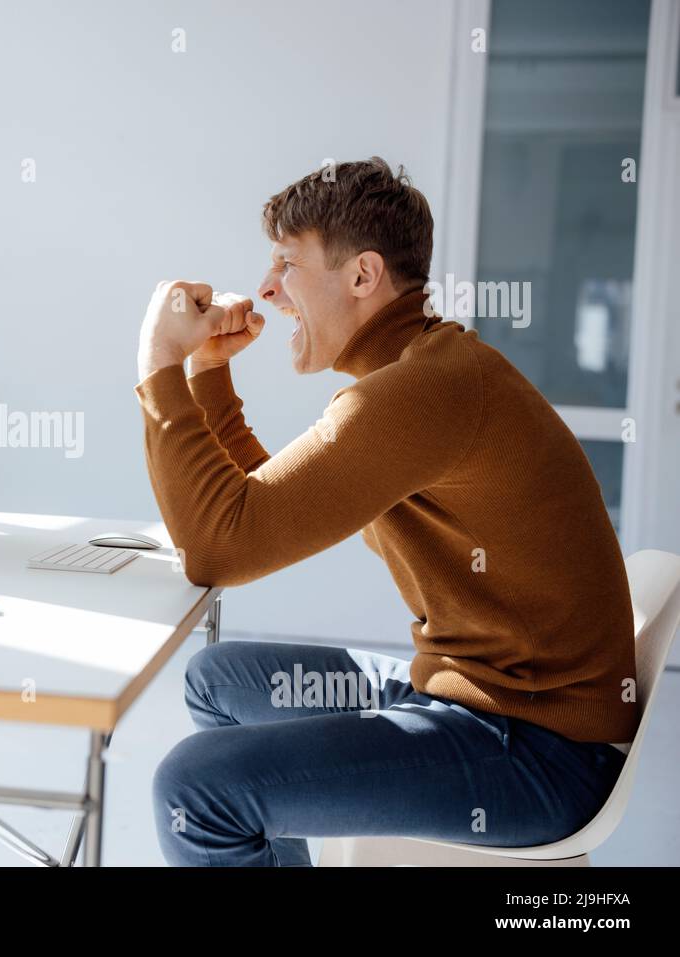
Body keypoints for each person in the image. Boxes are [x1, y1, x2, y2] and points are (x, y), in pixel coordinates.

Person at [134, 157, 638, 866]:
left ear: (363, 276)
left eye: (286, 263)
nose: (268, 289)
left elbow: (221, 546)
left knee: (194, 790)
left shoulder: (420, 392)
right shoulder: (418, 374)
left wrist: (157, 364)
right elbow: (265, 503)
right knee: (217, 682)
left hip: (539, 750)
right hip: (475, 699)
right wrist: (206, 374)